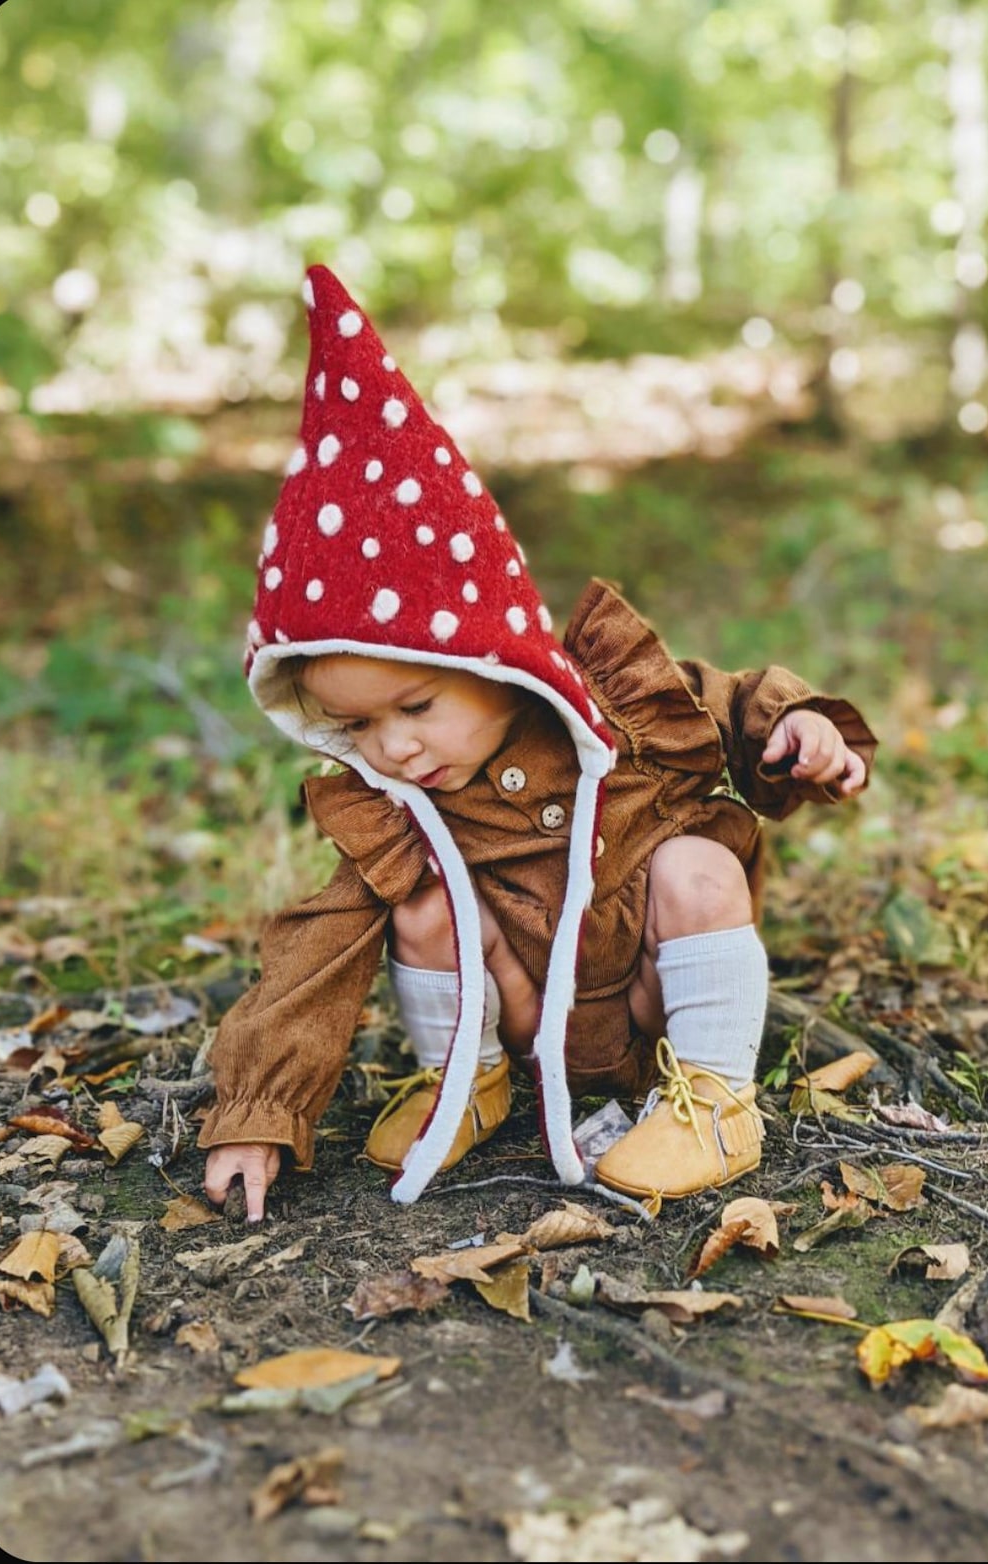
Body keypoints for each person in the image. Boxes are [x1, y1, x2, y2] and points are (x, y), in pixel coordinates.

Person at [199, 265, 876, 1220]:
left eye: (415, 706)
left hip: (650, 998)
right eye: (355, 726)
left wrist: (802, 728)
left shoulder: (620, 704)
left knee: (695, 867)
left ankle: (717, 1098)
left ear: (495, 660)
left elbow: (735, 705)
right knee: (421, 905)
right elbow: (312, 956)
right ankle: (465, 1077)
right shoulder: (401, 802)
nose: (394, 749)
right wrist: (257, 1108)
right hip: (526, 1025)